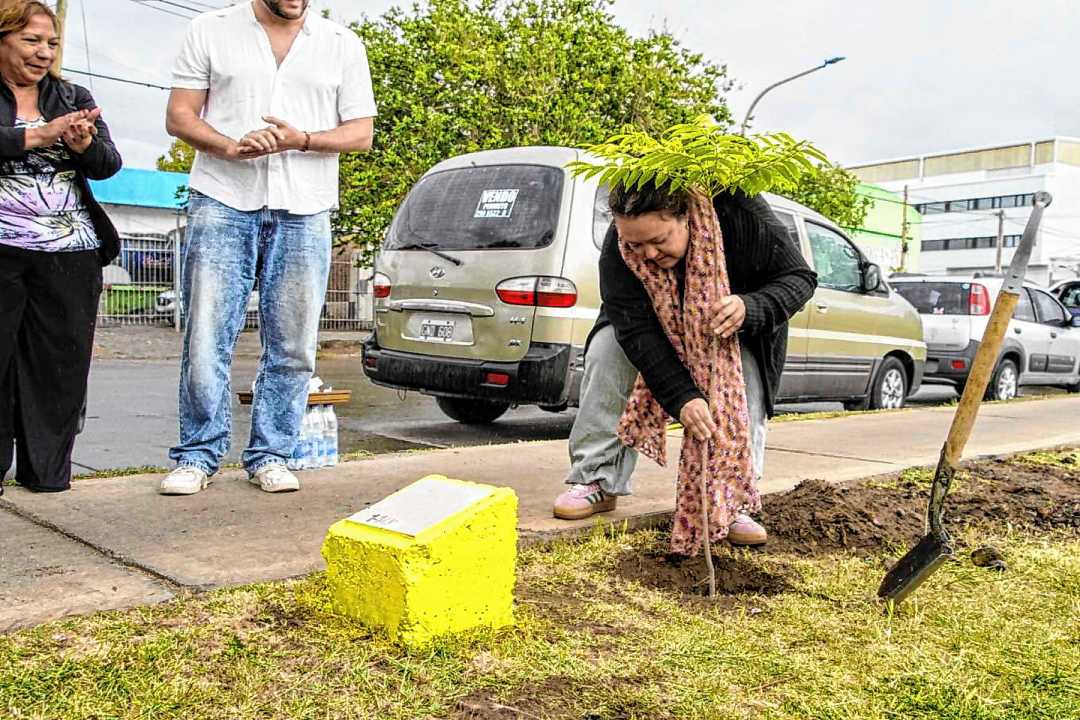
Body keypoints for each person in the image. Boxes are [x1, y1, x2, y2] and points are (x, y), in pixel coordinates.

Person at [160, 0, 376, 495]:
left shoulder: (341, 44)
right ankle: (197, 454)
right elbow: (180, 115)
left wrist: (300, 139)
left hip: (305, 206)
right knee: (206, 336)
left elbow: (360, 133)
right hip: (222, 196)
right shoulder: (210, 29)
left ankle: (272, 453)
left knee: (294, 343)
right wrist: (230, 147)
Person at [553, 181, 817, 548]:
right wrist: (681, 396)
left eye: (659, 241)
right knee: (606, 350)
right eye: (635, 244)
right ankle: (597, 477)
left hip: (729, 325)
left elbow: (799, 278)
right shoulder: (620, 247)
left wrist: (750, 307)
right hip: (649, 325)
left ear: (686, 216)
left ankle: (733, 499)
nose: (646, 255)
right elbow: (636, 330)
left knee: (743, 383)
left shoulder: (740, 210)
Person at [0, 0, 122, 494]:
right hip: (3, 248)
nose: (43, 52)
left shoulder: (72, 95)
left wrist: (80, 144)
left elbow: (108, 163)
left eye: (50, 42)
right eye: (31, 41)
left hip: (71, 252)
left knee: (59, 366)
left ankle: (46, 472)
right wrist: (38, 135)